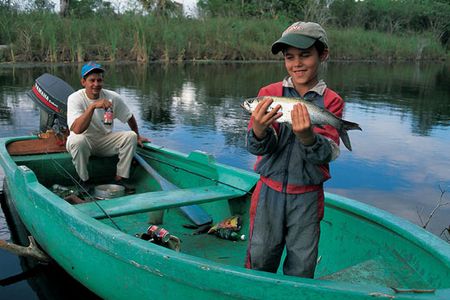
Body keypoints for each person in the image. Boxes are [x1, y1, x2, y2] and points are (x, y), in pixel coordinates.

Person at [245, 21, 344, 278]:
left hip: (308, 197)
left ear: (322, 55)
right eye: (289, 57)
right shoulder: (268, 94)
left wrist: (308, 137)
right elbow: (257, 147)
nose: (297, 63)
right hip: (268, 191)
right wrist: (258, 128)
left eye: (305, 55)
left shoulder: (331, 101)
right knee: (260, 258)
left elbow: (328, 154)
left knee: (302, 265)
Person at [66, 61, 149, 191]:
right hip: (84, 141)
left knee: (130, 136)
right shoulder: (74, 98)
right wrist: (93, 106)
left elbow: (129, 116)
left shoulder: (112, 97)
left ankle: (121, 178)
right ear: (83, 82)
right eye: (92, 80)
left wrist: (137, 135)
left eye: (99, 80)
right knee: (77, 140)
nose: (96, 84)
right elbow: (77, 129)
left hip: (104, 140)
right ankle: (84, 181)